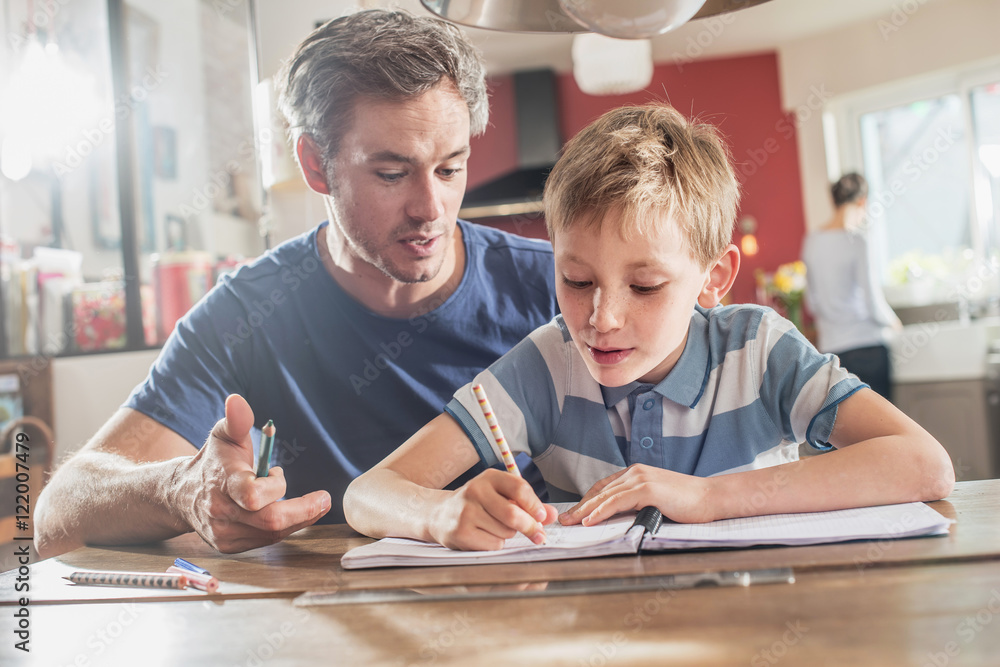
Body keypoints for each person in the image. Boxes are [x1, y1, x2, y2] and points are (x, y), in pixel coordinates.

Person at [33, 10, 558, 556]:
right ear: (315, 164)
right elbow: (57, 515)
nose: (431, 209)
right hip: (329, 624)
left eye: (450, 169)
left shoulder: (552, 286)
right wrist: (181, 492)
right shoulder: (248, 314)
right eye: (391, 174)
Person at [343, 104, 954, 551]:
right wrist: (439, 514)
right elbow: (367, 494)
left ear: (714, 278)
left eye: (645, 287)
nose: (601, 320)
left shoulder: (759, 349)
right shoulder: (547, 363)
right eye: (577, 281)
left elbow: (924, 464)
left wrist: (709, 499)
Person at [801, 173, 902, 400]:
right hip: (868, 348)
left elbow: (812, 303)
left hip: (833, 356)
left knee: (845, 433)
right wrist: (894, 322)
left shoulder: (812, 241)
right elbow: (873, 303)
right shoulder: (858, 242)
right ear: (861, 201)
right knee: (882, 430)